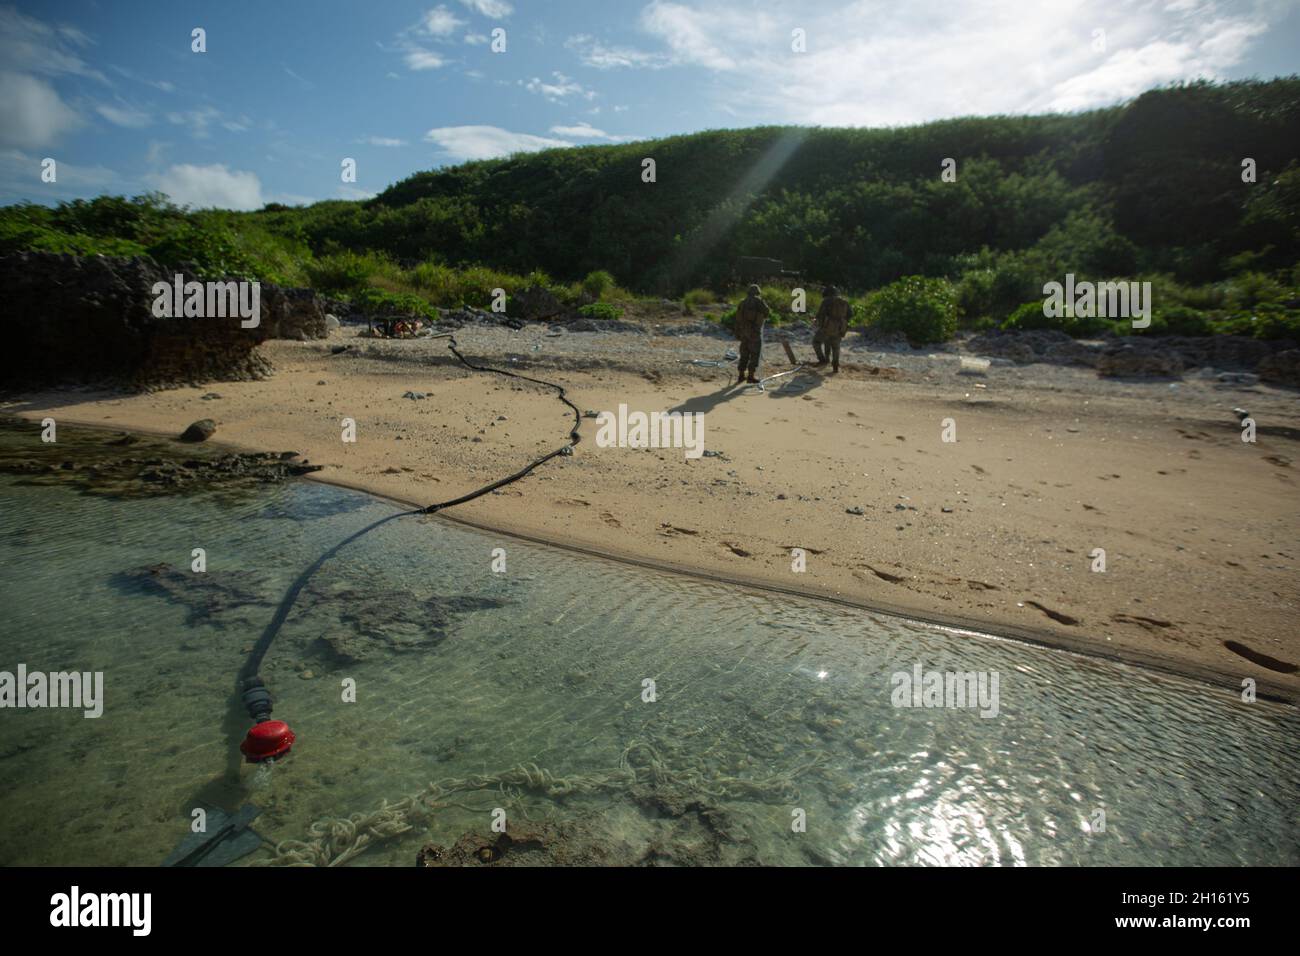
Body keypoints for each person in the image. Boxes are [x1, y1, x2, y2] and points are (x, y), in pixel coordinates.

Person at [733, 285, 770, 384]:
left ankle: (741, 375)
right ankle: (750, 376)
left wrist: (737, 332)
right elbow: (767, 312)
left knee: (744, 353)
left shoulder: (742, 302)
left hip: (743, 331)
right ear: (757, 292)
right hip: (754, 332)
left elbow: (737, 318)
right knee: (755, 354)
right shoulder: (759, 301)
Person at [813, 285, 851, 373]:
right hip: (840, 327)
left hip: (827, 327)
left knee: (816, 342)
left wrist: (818, 321)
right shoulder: (844, 302)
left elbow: (820, 315)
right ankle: (835, 366)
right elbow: (850, 314)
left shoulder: (826, 301)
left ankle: (822, 360)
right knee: (835, 347)